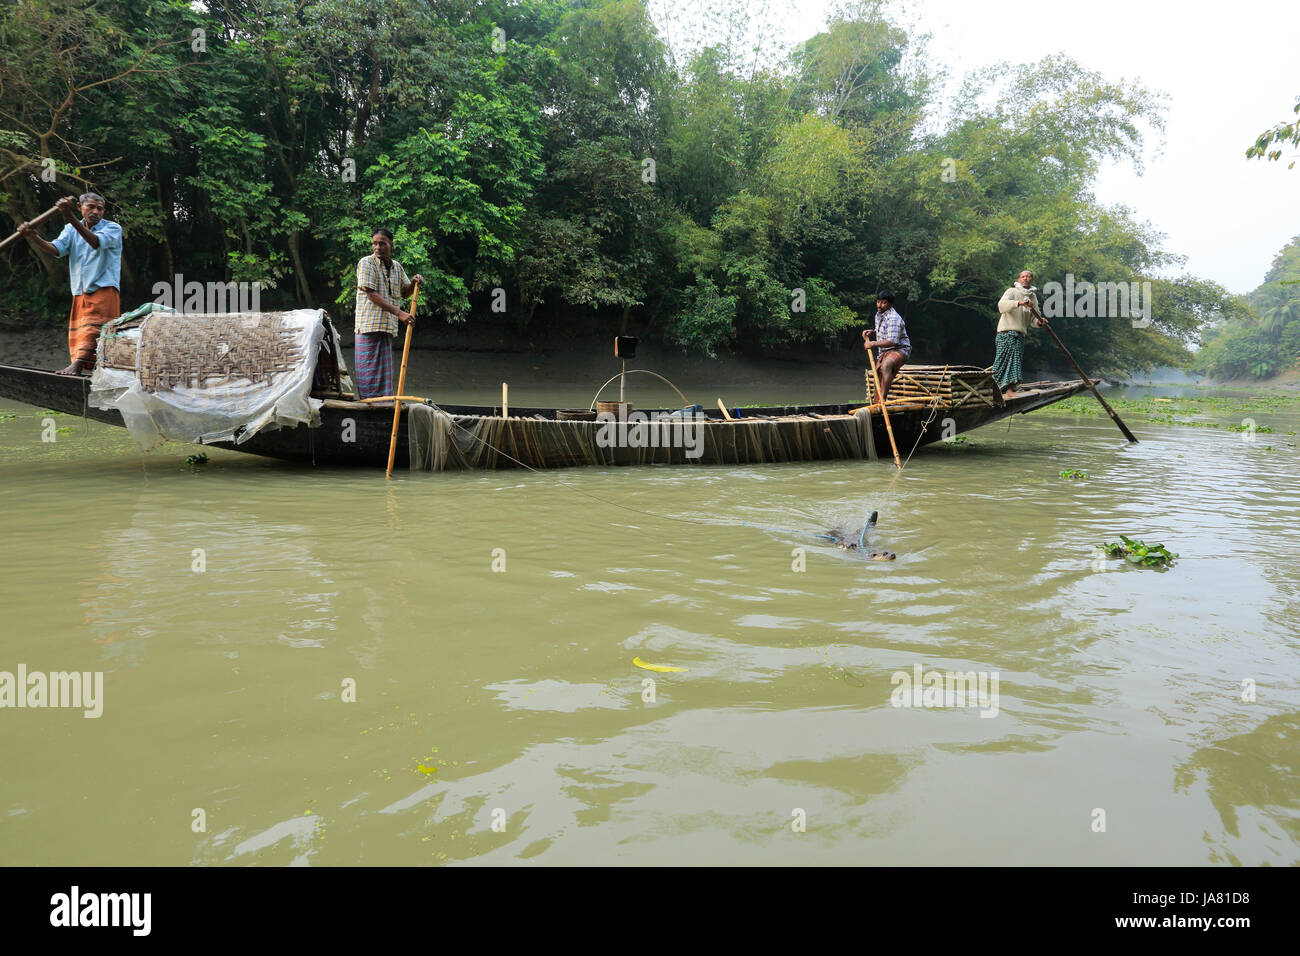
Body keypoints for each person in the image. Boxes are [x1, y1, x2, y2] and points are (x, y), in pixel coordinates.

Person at [16, 193, 123, 376]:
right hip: (80, 290)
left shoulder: (113, 228)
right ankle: (80, 366)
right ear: (81, 208)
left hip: (103, 288)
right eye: (90, 207)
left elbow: (95, 242)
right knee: (81, 331)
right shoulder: (71, 228)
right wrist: (32, 236)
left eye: (100, 208)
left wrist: (70, 217)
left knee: (95, 328)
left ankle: (78, 366)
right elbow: (57, 249)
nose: (96, 211)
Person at [353, 228, 423, 399]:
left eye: (382, 243)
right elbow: (371, 294)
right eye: (374, 243)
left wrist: (414, 282)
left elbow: (405, 292)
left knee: (384, 375)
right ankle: (369, 404)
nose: (377, 247)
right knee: (368, 373)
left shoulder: (397, 267)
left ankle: (384, 404)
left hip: (385, 327)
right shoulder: (366, 262)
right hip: (368, 326)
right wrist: (400, 314)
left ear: (391, 245)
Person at [993, 269, 1049, 399]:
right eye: (1023, 276)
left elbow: (1034, 319)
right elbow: (1001, 305)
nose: (1025, 278)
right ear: (1019, 279)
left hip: (1019, 335)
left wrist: (1041, 322)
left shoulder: (1033, 297)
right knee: (1001, 363)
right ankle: (997, 388)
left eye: (1028, 277)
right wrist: (1019, 303)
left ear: (1032, 280)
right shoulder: (1011, 291)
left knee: (1014, 363)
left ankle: (1008, 390)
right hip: (1006, 333)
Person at [861, 289, 910, 402]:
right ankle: (878, 402)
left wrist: (872, 343)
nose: (879, 305)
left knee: (886, 365)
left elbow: (892, 341)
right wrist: (873, 333)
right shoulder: (878, 315)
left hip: (900, 350)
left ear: (890, 304)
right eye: (878, 302)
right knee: (879, 377)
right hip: (885, 351)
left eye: (883, 302)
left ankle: (883, 399)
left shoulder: (894, 318)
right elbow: (883, 332)